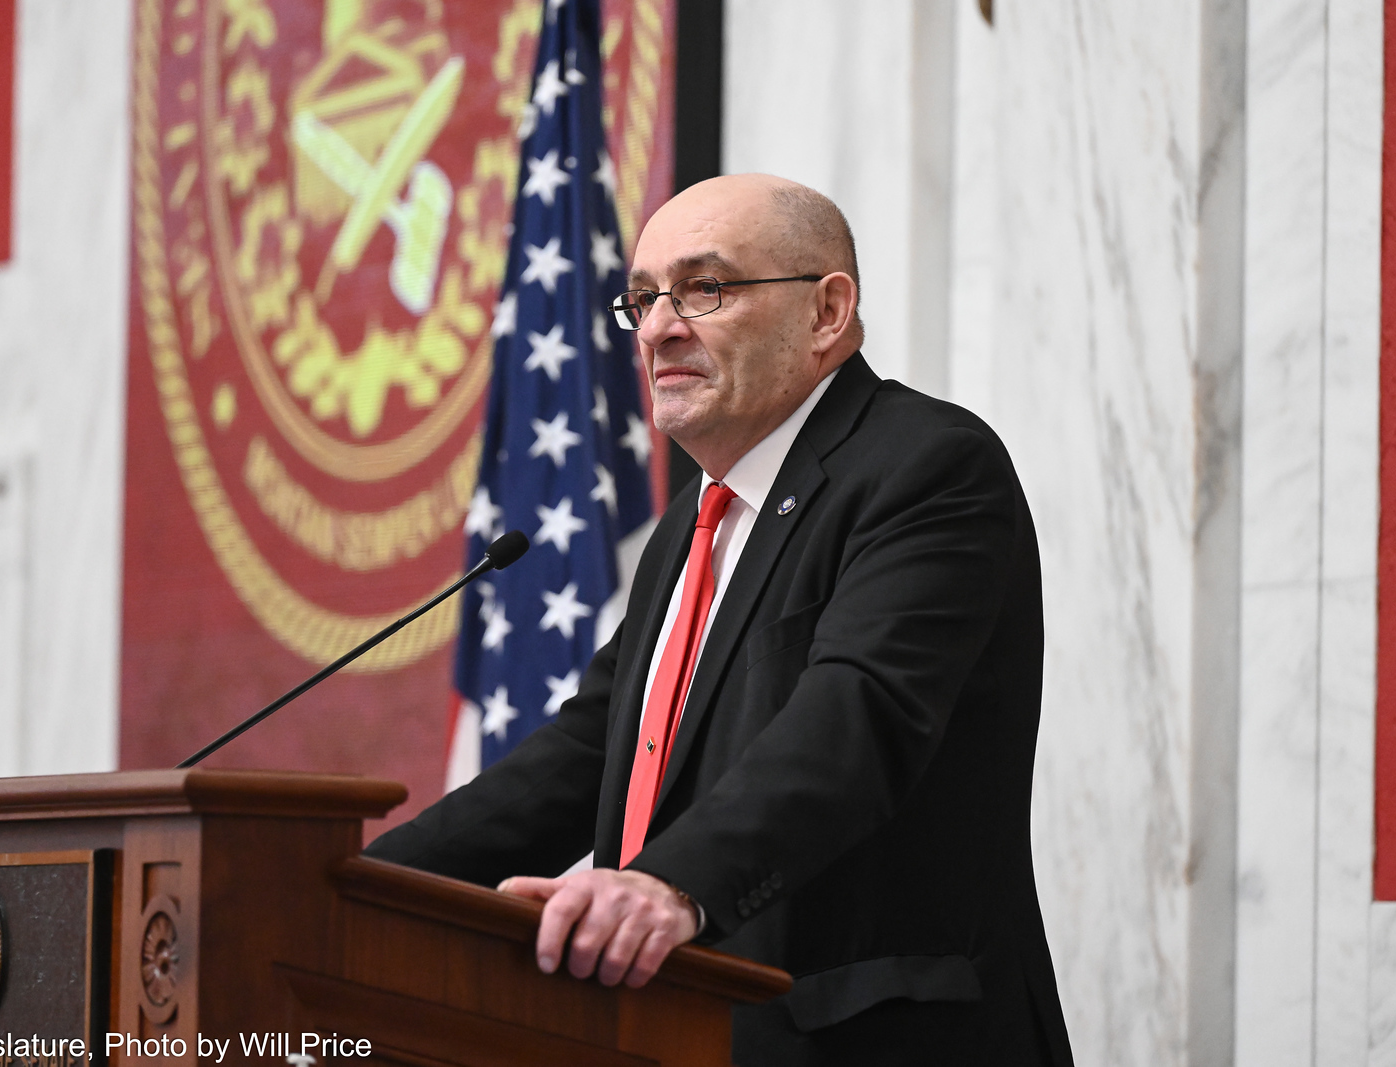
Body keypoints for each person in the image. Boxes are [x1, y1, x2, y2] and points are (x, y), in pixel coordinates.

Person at [366, 173, 1074, 1066]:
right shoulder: (696, 519)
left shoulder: (926, 466)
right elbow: (591, 756)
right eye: (641, 298)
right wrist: (359, 888)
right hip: (678, 1036)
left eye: (706, 289)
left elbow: (856, 718)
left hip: (870, 1039)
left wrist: (671, 881)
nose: (660, 325)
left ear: (827, 311)